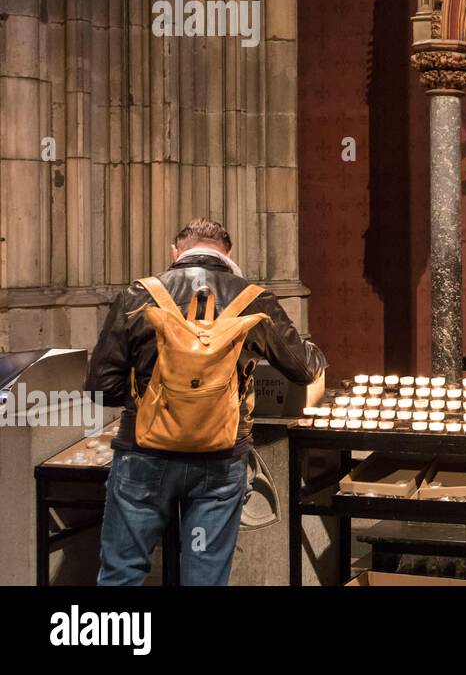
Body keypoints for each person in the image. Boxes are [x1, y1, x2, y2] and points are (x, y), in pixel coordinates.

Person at [85, 217, 326, 586]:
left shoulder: (139, 295)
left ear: (175, 252)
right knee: (205, 576)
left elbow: (101, 386)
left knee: (123, 571)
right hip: (220, 456)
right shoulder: (252, 298)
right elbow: (304, 370)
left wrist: (153, 400)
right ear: (228, 255)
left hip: (144, 454)